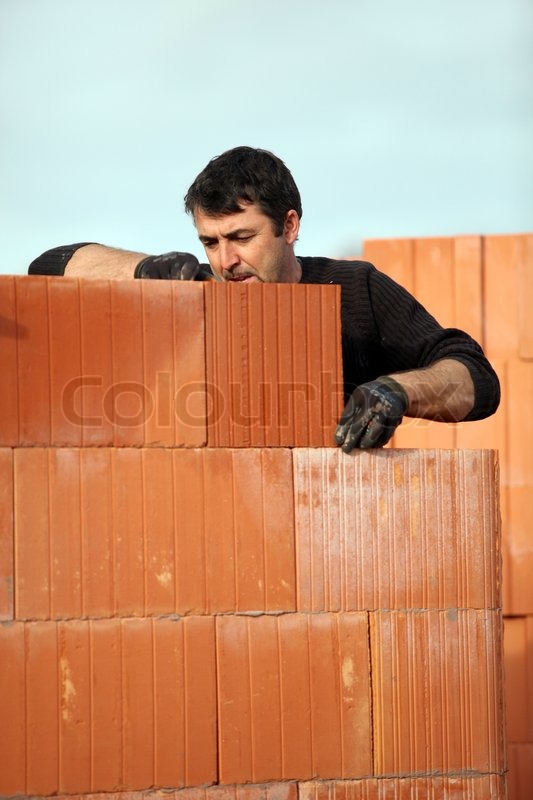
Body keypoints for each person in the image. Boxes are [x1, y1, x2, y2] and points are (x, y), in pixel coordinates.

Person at [28, 146, 500, 451]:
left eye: (241, 237)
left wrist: (397, 392)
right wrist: (142, 269)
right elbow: (49, 265)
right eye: (210, 243)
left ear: (289, 226)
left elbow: (478, 380)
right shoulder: (190, 292)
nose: (226, 260)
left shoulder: (354, 291)